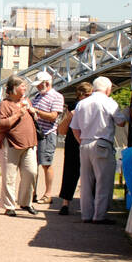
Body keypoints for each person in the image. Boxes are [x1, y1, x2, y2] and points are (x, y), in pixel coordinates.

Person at [69, 75, 128, 224]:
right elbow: (120, 122)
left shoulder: (82, 103)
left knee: (86, 182)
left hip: (84, 144)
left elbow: (74, 128)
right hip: (102, 143)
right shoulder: (108, 102)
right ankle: (99, 215)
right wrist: (127, 112)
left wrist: (82, 141)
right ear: (108, 89)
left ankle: (86, 214)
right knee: (104, 180)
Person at [0, 76, 38, 216]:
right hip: (10, 144)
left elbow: (35, 119)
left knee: (31, 173)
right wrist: (17, 114)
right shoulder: (5, 104)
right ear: (13, 89)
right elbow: (1, 125)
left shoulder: (26, 101)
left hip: (29, 143)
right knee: (9, 176)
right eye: (22, 86)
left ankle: (26, 202)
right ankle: (9, 206)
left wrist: (33, 112)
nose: (25, 88)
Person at [28, 71, 64, 205]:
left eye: (39, 85)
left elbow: (54, 116)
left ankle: (48, 194)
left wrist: (36, 112)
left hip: (47, 134)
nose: (37, 87)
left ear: (46, 83)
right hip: (36, 134)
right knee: (33, 164)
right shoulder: (37, 96)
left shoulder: (57, 97)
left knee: (46, 164)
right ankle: (33, 192)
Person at [56, 82, 91, 216]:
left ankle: (87, 204)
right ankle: (65, 203)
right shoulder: (73, 108)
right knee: (70, 172)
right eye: (88, 94)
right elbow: (61, 130)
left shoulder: (93, 106)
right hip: (73, 143)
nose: (90, 97)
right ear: (81, 95)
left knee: (88, 174)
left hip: (86, 140)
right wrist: (70, 116)